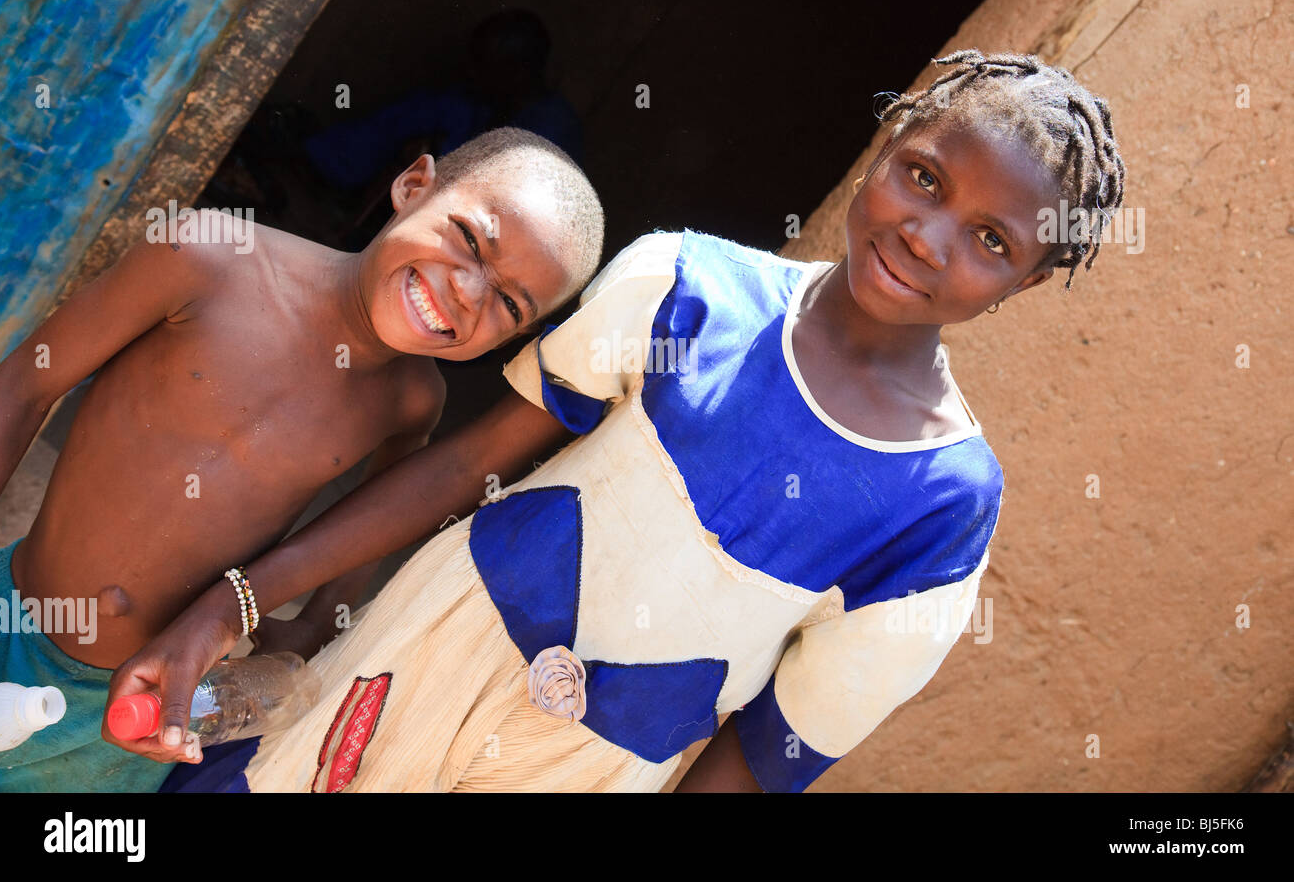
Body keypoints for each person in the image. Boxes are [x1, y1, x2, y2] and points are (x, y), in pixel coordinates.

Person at [109, 50, 1126, 792]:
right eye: (924, 176)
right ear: (886, 145)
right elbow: (468, 463)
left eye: (989, 237)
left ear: (1023, 283)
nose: (926, 231)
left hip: (575, 770)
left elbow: (775, 747)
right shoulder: (684, 286)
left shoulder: (942, 502)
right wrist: (230, 606)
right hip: (414, 650)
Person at [0, 127, 604, 791]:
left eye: (510, 304)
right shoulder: (206, 256)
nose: (468, 291)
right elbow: (27, 386)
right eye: (468, 240)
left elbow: (383, 512)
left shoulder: (409, 400)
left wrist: (317, 623)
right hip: (12, 612)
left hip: (137, 714)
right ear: (413, 185)